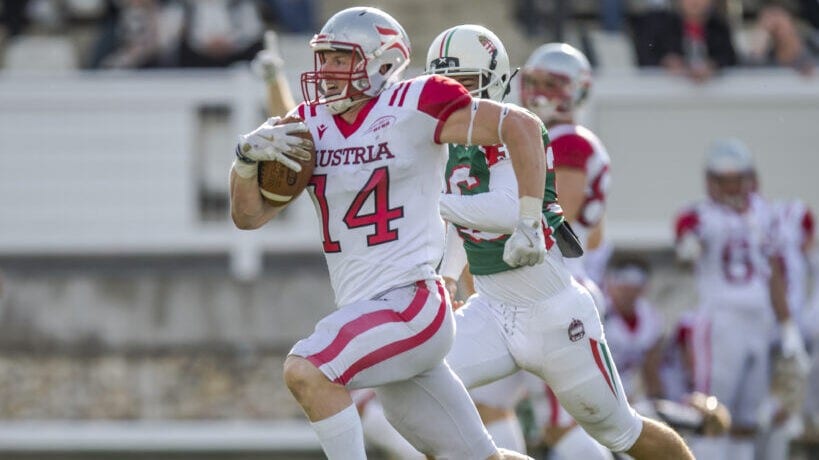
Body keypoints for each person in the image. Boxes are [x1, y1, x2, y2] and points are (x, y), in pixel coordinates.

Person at [230, 6, 549, 459]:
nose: (327, 71)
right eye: (324, 58)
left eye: (342, 59)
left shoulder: (416, 102)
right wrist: (243, 163)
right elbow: (249, 217)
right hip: (372, 314)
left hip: (411, 301)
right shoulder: (311, 125)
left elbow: (521, 125)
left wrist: (529, 219)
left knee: (307, 369)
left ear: (382, 62)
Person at [426, 25, 694, 460]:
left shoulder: (555, 139)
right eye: (535, 82)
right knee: (441, 397)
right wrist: (448, 278)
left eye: (553, 84)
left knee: (605, 430)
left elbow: (539, 219)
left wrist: (432, 203)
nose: (540, 92)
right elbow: (469, 222)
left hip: (552, 296)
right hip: (496, 303)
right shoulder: (470, 140)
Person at [673, 138, 810, 460]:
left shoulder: (763, 215)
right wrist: (688, 244)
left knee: (748, 416)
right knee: (711, 409)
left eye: (738, 180)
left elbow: (774, 272)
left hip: (758, 323)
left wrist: (787, 324)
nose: (733, 188)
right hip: (720, 320)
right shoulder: (701, 215)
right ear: (711, 182)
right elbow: (684, 239)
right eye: (725, 180)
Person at [632, 0, 737, 83]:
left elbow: (731, 58)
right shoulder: (661, 26)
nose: (695, 1)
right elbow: (645, 57)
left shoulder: (719, 28)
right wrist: (665, 62)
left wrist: (713, 66)